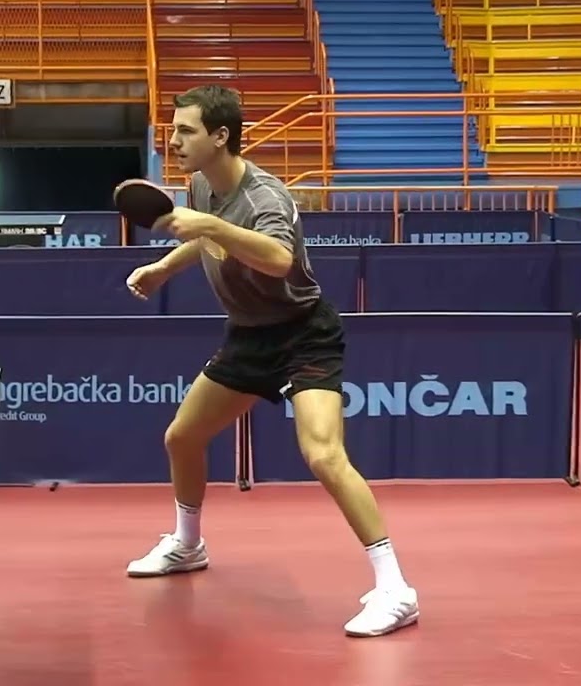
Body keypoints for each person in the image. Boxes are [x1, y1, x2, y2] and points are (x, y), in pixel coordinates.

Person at [123, 85, 419, 638]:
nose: (174, 139)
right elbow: (210, 242)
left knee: (323, 453)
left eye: (186, 130)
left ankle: (395, 589)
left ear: (220, 136)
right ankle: (188, 545)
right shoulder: (200, 187)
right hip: (249, 338)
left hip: (304, 336)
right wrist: (165, 266)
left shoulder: (265, 197)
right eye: (174, 128)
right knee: (181, 438)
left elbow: (279, 259)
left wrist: (208, 226)